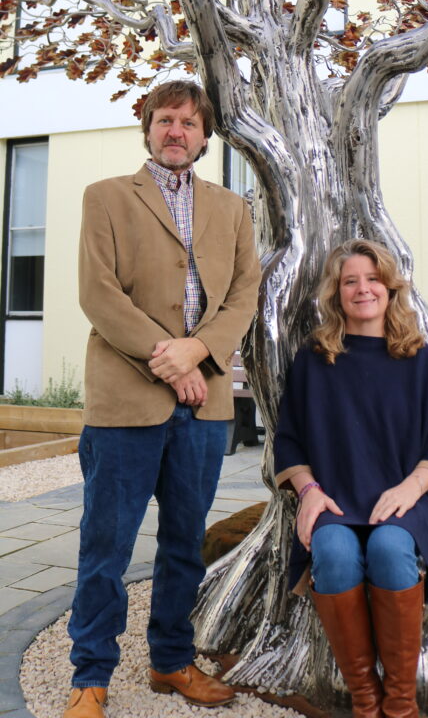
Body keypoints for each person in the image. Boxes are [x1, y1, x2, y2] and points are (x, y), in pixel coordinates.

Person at [64, 80, 261, 718]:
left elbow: (243, 297)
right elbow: (99, 295)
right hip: (128, 403)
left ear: (205, 137)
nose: (176, 130)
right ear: (147, 127)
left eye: (188, 122)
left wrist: (198, 353)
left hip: (204, 409)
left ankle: (171, 662)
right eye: (165, 119)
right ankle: (90, 677)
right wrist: (172, 361)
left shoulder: (232, 208)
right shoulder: (107, 198)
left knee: (184, 543)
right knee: (106, 546)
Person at [274, 239, 428, 718]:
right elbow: (289, 440)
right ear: (336, 294)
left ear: (390, 287)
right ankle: (366, 702)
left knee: (388, 549)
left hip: (406, 498)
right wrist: (310, 491)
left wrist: (411, 488)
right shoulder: (314, 360)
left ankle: (400, 704)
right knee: (335, 555)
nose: (363, 289)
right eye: (350, 281)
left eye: (372, 279)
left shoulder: (417, 359)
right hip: (336, 499)